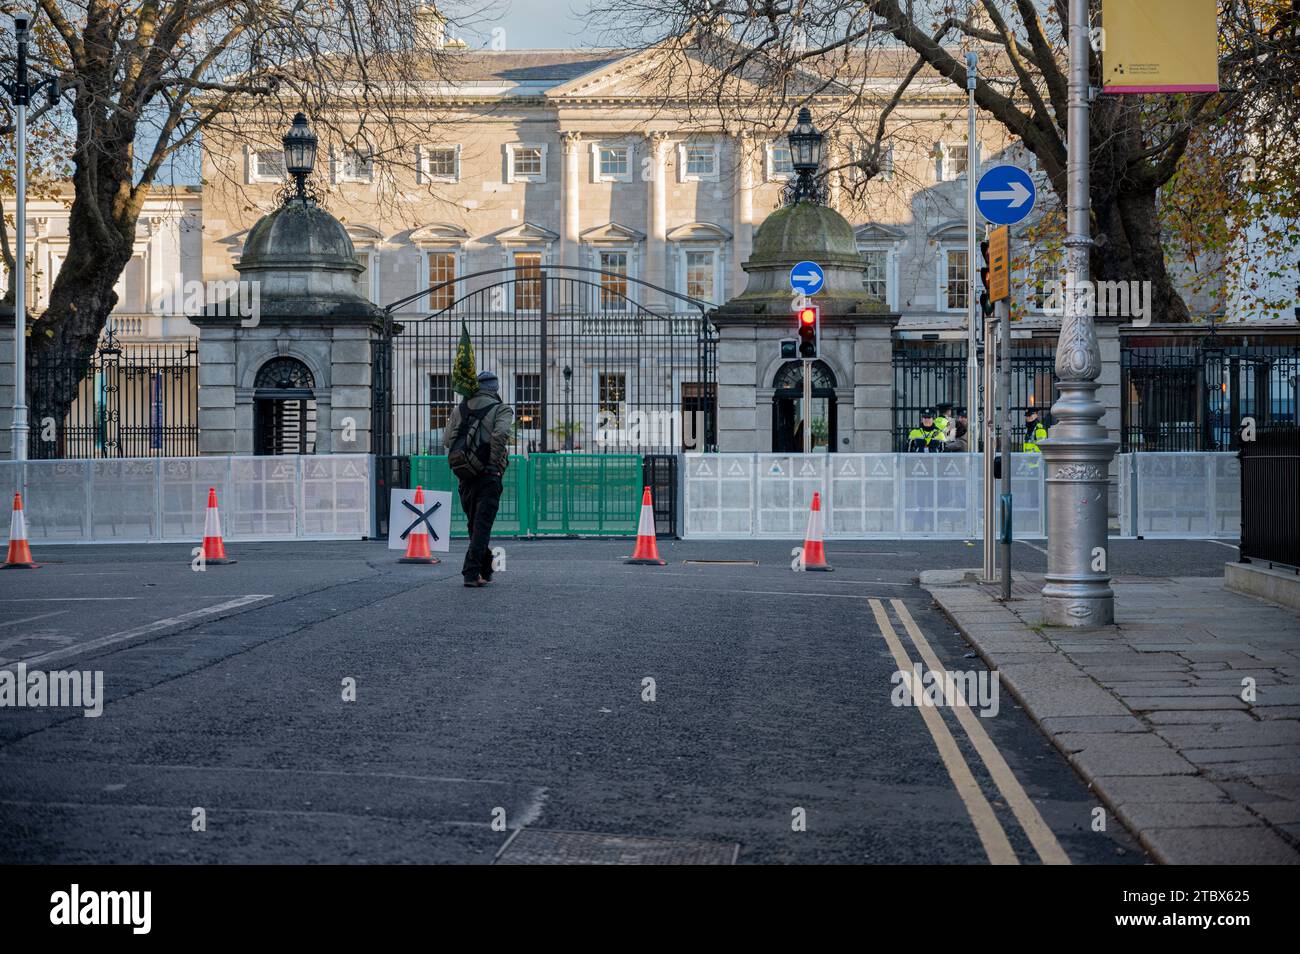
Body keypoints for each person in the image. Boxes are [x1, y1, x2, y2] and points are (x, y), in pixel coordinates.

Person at [443, 370, 515, 587]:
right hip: (488, 474)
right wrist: (493, 462)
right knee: (482, 524)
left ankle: (485, 565)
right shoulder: (500, 409)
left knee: (475, 523)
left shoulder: (460, 408)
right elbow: (501, 434)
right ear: (495, 389)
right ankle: (471, 572)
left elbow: (447, 439)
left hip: (464, 472)